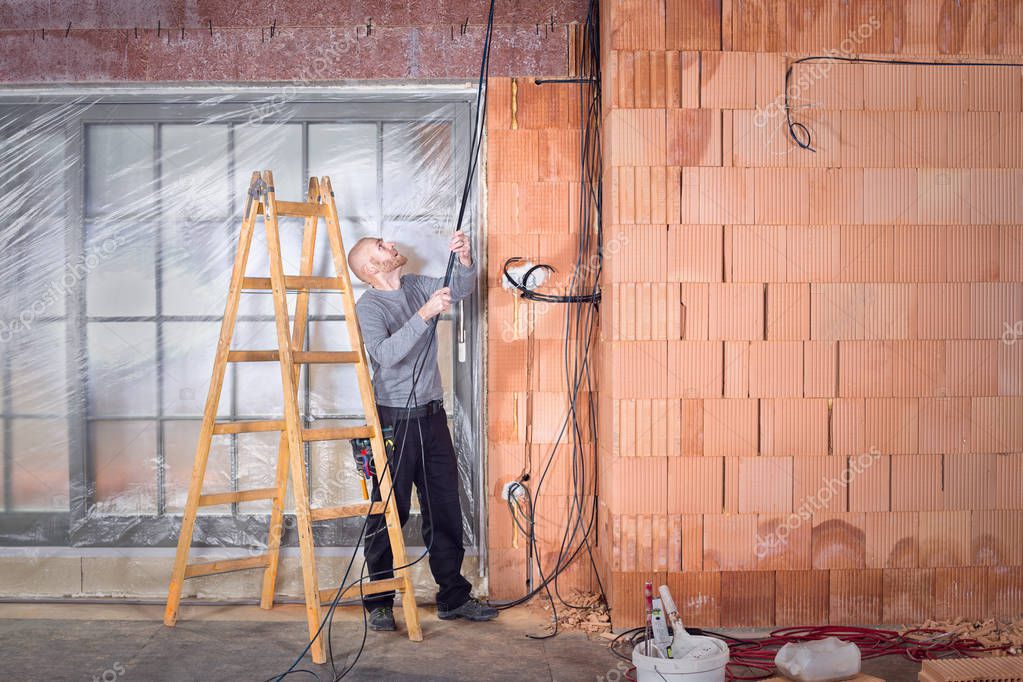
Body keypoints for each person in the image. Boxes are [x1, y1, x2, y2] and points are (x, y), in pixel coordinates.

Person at [347, 232, 497, 631]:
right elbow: (386, 356)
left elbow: (460, 289)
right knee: (388, 512)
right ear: (371, 268)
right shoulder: (370, 307)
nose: (392, 244)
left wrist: (463, 260)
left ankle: (453, 596)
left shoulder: (415, 286)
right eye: (381, 246)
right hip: (394, 420)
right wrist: (424, 316)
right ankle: (379, 600)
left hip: (432, 418)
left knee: (444, 508)